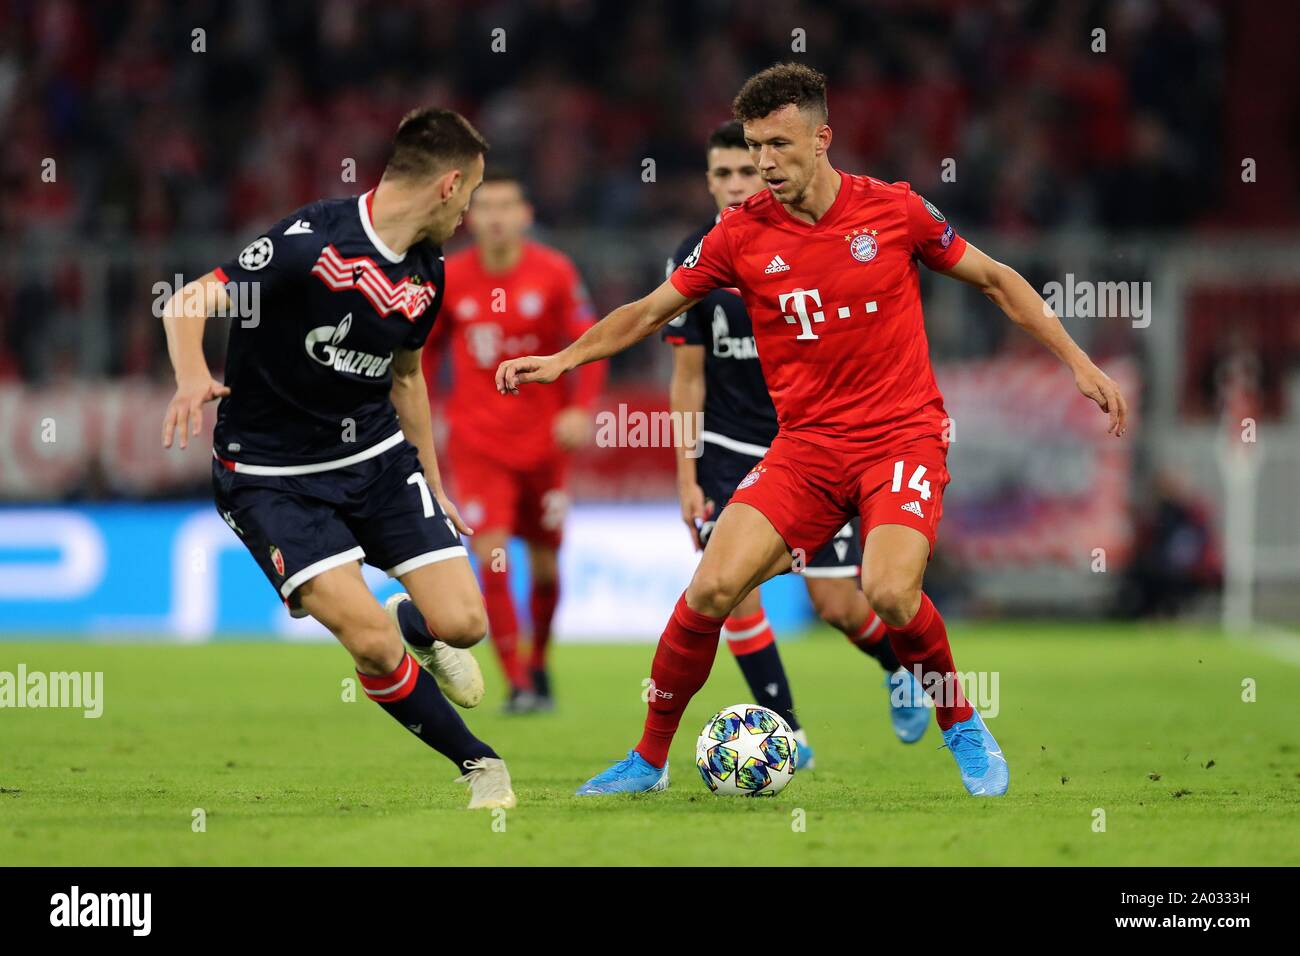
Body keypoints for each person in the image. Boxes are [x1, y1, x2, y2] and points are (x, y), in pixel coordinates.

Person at [496, 64, 1128, 798]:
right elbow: (646, 312)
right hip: (806, 450)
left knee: (887, 593)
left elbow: (997, 280)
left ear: (823, 138)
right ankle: (647, 761)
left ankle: (960, 722)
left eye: (780, 146)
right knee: (712, 587)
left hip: (901, 438)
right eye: (756, 147)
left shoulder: (894, 211)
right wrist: (563, 360)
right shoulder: (738, 237)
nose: (765, 164)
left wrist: (1077, 363)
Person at [160, 108, 516, 809]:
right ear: (448, 185)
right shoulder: (311, 243)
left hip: (376, 457)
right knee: (373, 644)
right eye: (471, 196)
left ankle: (423, 624)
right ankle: (481, 765)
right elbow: (187, 302)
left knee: (466, 626)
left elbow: (407, 377)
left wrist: (433, 482)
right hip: (269, 478)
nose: (470, 213)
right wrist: (191, 374)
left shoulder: (427, 270)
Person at [664, 121, 930, 764]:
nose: (734, 184)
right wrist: (687, 473)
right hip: (729, 449)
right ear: (707, 181)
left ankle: (898, 666)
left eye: (746, 172)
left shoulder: (812, 243)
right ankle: (786, 730)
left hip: (813, 444)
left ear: (769, 173)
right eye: (722, 174)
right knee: (727, 590)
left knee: (838, 602)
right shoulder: (694, 259)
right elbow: (687, 378)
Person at [424, 171, 603, 712]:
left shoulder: (554, 272)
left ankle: (541, 659)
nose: (497, 217)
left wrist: (578, 409)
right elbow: (423, 353)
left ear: (526, 216)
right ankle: (519, 681)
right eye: (486, 207)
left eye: (507, 206)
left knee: (546, 567)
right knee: (493, 556)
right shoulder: (449, 277)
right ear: (470, 218)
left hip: (544, 444)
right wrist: (426, 409)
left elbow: (588, 342)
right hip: (478, 443)